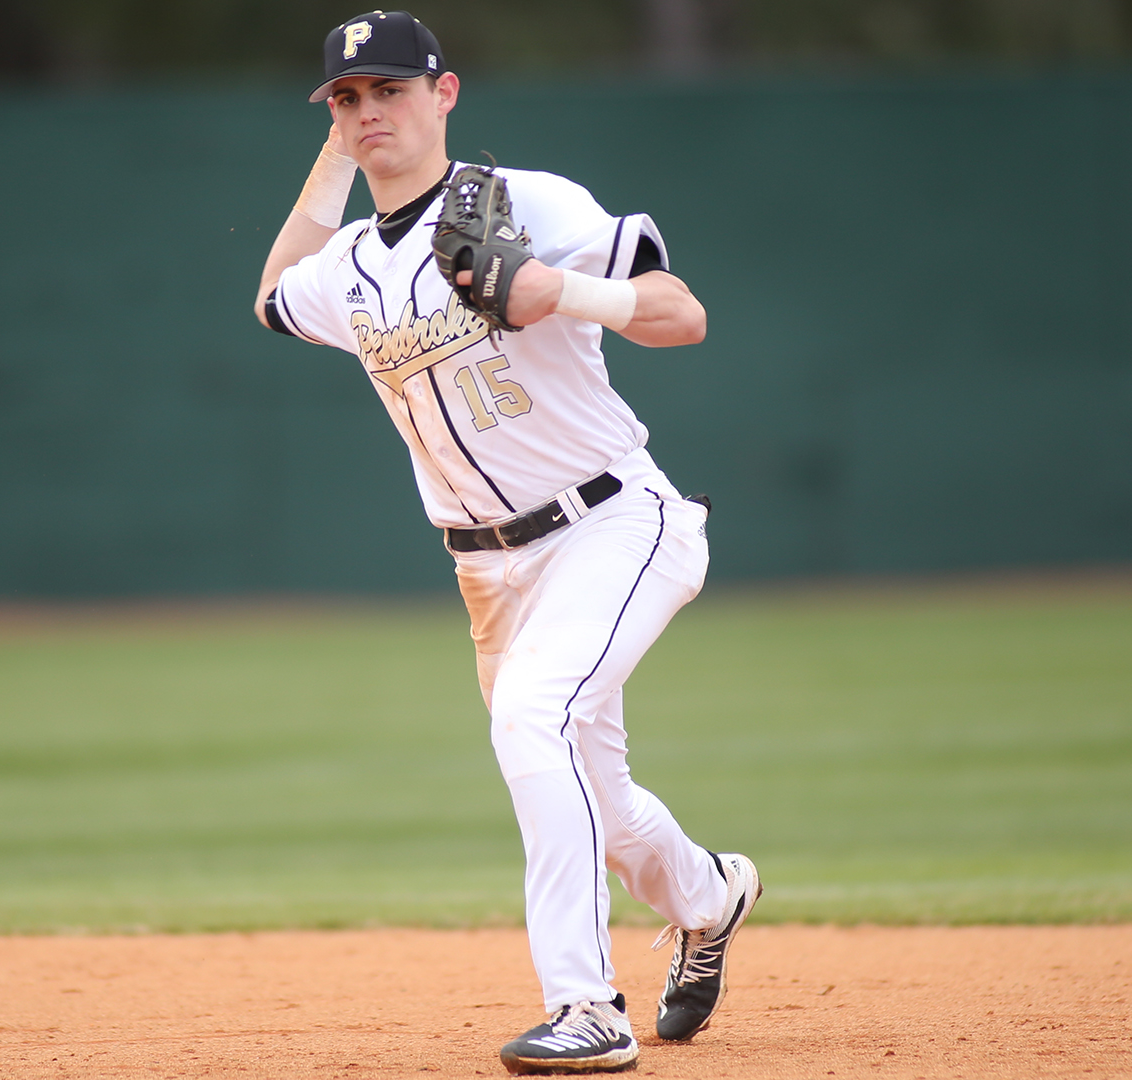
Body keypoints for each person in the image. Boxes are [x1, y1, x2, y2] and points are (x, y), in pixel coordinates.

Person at [253, 11, 762, 1074]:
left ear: (445, 93)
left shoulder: (527, 202)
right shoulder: (347, 267)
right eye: (348, 98)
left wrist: (560, 289)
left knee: (535, 718)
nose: (369, 111)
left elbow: (682, 314)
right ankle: (710, 895)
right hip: (488, 572)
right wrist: (333, 157)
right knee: (601, 800)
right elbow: (272, 293)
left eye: (390, 89)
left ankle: (586, 1007)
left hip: (614, 520)